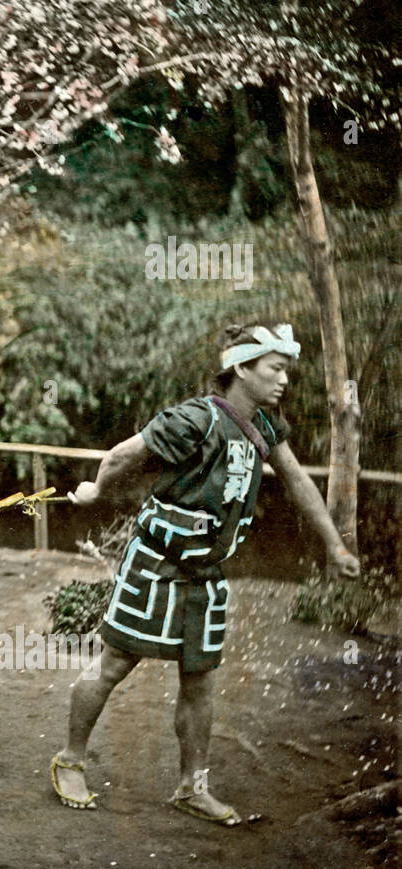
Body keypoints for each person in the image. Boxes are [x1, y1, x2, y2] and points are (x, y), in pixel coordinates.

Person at [52, 322, 361, 823]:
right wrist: (96, 491)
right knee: (112, 666)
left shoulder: (264, 424)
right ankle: (69, 760)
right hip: (155, 563)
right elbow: (122, 456)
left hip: (207, 573)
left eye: (286, 371)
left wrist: (333, 545)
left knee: (199, 682)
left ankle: (192, 788)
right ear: (241, 367)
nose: (284, 381)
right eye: (274, 369)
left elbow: (297, 479)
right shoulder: (194, 418)